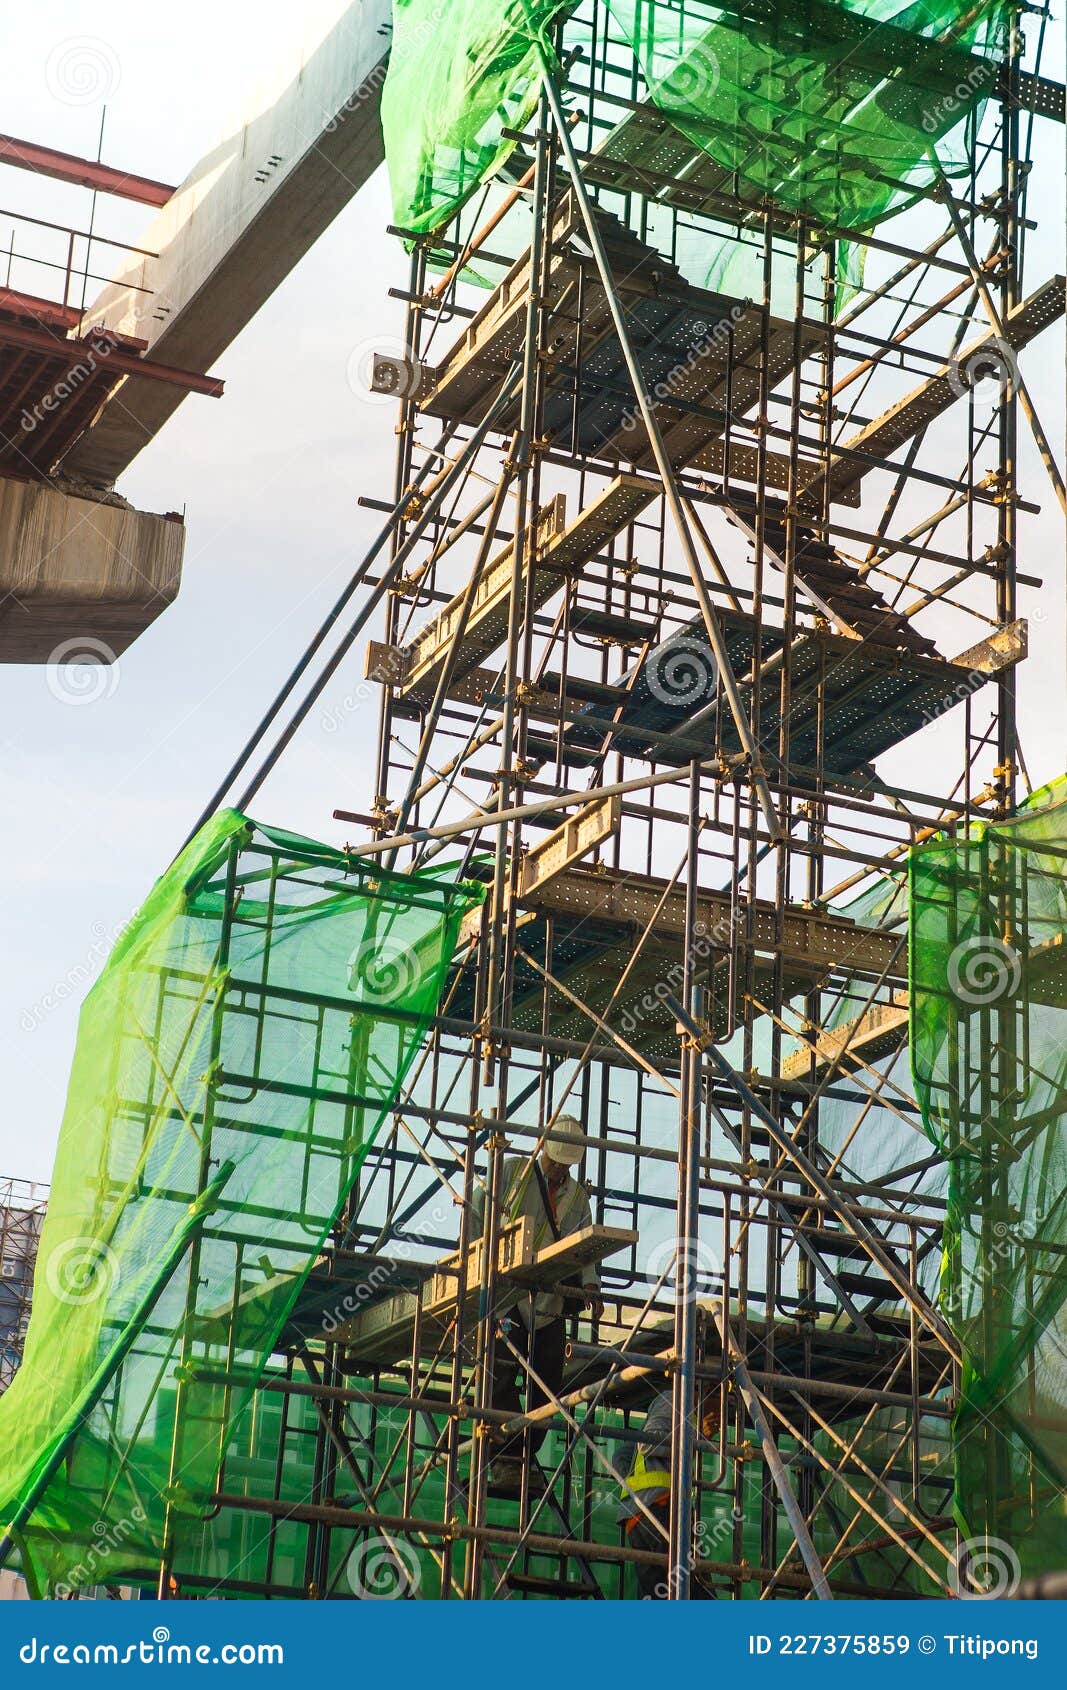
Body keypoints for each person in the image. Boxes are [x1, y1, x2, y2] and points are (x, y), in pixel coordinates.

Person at [471, 1116, 604, 1492]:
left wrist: (592, 1286)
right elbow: (477, 1213)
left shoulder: (577, 1197)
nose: (559, 1168)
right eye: (555, 1160)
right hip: (505, 1294)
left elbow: (585, 1246)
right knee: (498, 1370)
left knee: (547, 1382)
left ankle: (524, 1458)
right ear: (543, 1148)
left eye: (566, 1163)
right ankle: (506, 1459)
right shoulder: (512, 1172)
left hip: (547, 1300)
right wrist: (475, 1267)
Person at [617, 1388, 721, 1598]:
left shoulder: (670, 1406)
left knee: (658, 1595)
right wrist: (695, 1436)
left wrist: (637, 1491)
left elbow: (620, 1456)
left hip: (639, 1517)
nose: (719, 1412)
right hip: (660, 1510)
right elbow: (648, 1443)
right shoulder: (675, 1400)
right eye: (719, 1401)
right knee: (696, 1591)